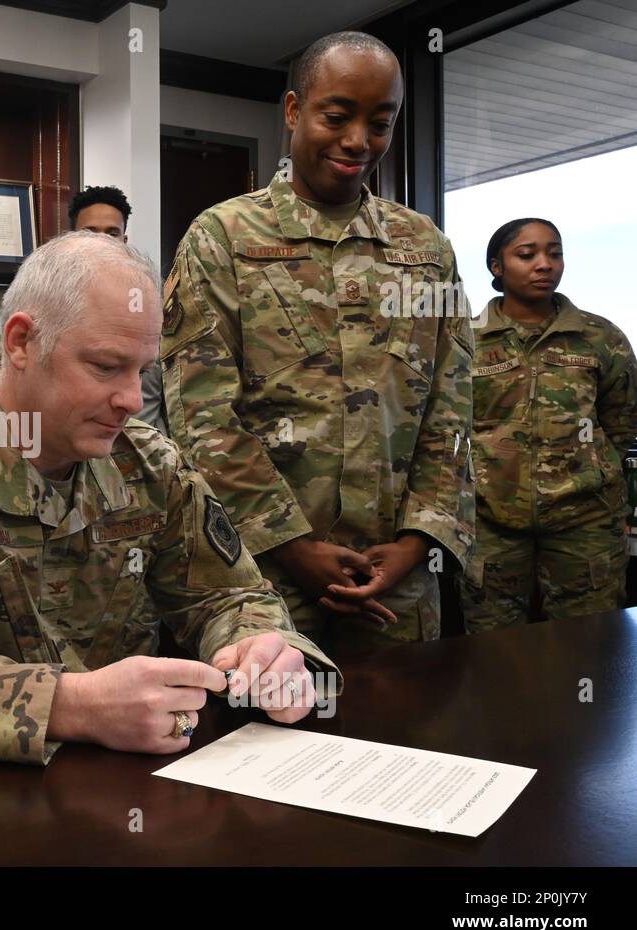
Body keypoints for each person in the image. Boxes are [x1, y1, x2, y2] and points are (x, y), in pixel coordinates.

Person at [0, 231, 338, 765]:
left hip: (126, 787)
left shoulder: (151, 466)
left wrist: (261, 647)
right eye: (106, 367)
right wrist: (70, 705)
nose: (131, 400)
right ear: (20, 343)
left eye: (142, 372)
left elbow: (227, 596)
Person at [161, 31, 475, 650]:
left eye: (381, 123)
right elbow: (201, 416)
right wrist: (294, 545)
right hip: (263, 573)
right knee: (268, 737)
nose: (359, 141)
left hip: (397, 579)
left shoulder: (424, 247)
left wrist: (418, 543)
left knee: (410, 735)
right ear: (293, 110)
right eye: (337, 116)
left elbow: (453, 406)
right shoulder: (221, 237)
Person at [461, 219, 637, 632]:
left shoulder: (599, 337)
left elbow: (622, 423)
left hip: (585, 521)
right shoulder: (466, 339)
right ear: (496, 267)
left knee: (590, 643)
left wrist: (589, 469)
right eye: (527, 255)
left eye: (554, 253)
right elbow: (448, 425)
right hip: (490, 521)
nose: (545, 264)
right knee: (494, 650)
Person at [71, 185, 168, 432]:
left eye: (111, 233)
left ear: (124, 241)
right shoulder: (49, 296)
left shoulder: (153, 301)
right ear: (72, 238)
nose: (101, 241)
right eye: (90, 232)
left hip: (138, 449)